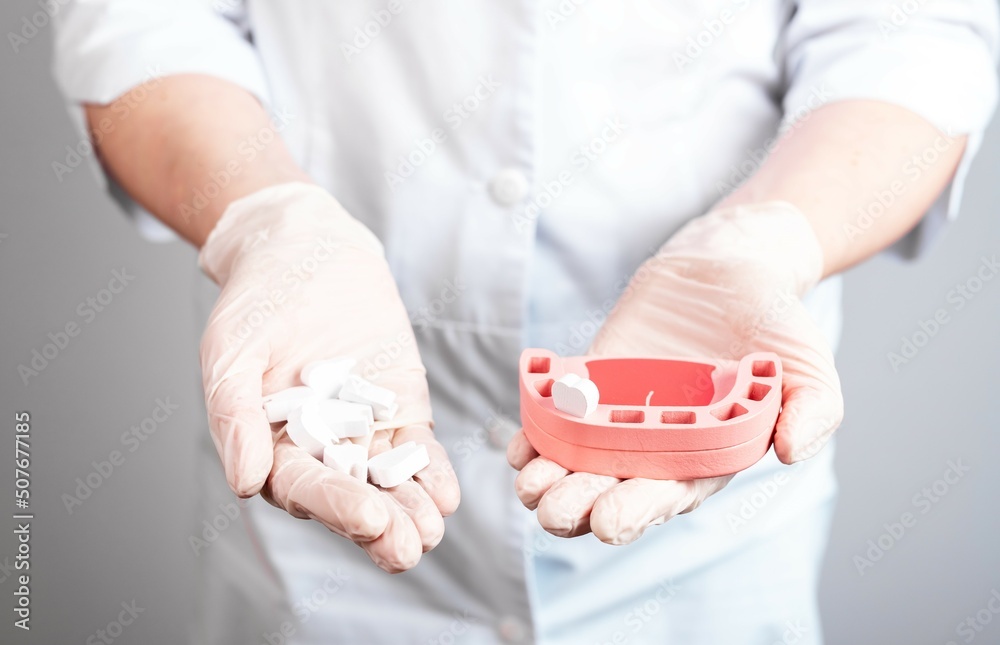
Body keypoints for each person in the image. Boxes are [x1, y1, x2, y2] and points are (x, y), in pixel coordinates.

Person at [52, 2, 998, 643]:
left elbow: (914, 32)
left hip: (707, 547)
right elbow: (137, 19)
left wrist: (767, 240)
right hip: (318, 541)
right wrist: (266, 220)